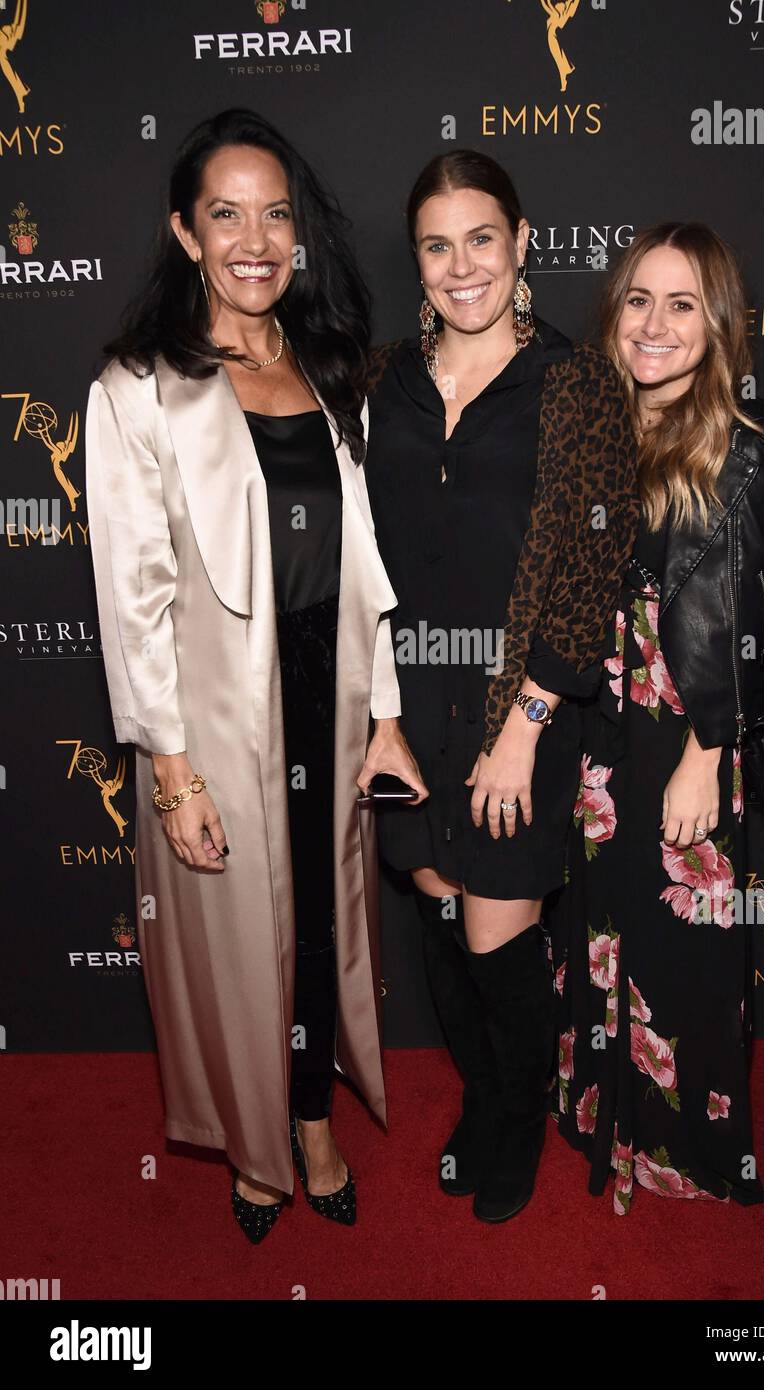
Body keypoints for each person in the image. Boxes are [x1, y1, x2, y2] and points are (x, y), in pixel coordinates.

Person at [85, 109, 425, 1243]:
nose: (253, 236)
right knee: (239, 945)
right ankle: (255, 1141)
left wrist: (383, 711)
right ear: (185, 232)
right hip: (217, 718)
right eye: (224, 212)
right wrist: (169, 768)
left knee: (325, 926)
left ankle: (314, 1120)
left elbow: (365, 555)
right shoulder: (140, 385)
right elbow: (131, 595)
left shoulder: (330, 366)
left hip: (325, 695)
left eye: (274, 212)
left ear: (300, 232)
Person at [364, 150, 640, 1223]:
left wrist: (526, 725)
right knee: (437, 904)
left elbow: (588, 569)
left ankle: (519, 1113)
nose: (461, 265)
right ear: (418, 259)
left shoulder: (574, 382)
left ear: (523, 244)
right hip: (405, 711)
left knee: (498, 931)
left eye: (483, 238)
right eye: (438, 244)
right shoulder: (384, 379)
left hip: (515, 710)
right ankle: (482, 1097)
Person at [547, 222, 764, 1212]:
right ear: (613, 316)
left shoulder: (756, 445)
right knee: (601, 932)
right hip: (598, 731)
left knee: (686, 943)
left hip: (688, 735)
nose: (656, 324)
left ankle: (685, 1146)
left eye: (681, 304)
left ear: (715, 325)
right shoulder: (597, 430)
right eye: (638, 300)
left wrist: (711, 754)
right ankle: (605, 1115)